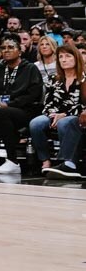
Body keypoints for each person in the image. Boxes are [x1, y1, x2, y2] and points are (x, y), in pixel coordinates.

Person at [0, 37, 42, 175]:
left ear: (20, 51)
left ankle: (13, 161)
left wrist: (8, 104)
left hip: (25, 110)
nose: (6, 51)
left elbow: (33, 94)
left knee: (2, 113)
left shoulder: (30, 68)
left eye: (10, 48)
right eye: (3, 48)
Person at [31, 41, 83, 178]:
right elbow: (48, 102)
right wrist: (52, 114)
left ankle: (68, 163)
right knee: (36, 123)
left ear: (76, 58)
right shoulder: (54, 78)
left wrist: (64, 114)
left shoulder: (84, 79)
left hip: (75, 116)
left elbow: (83, 105)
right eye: (61, 57)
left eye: (68, 56)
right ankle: (45, 161)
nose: (64, 60)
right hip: (54, 114)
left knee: (65, 122)